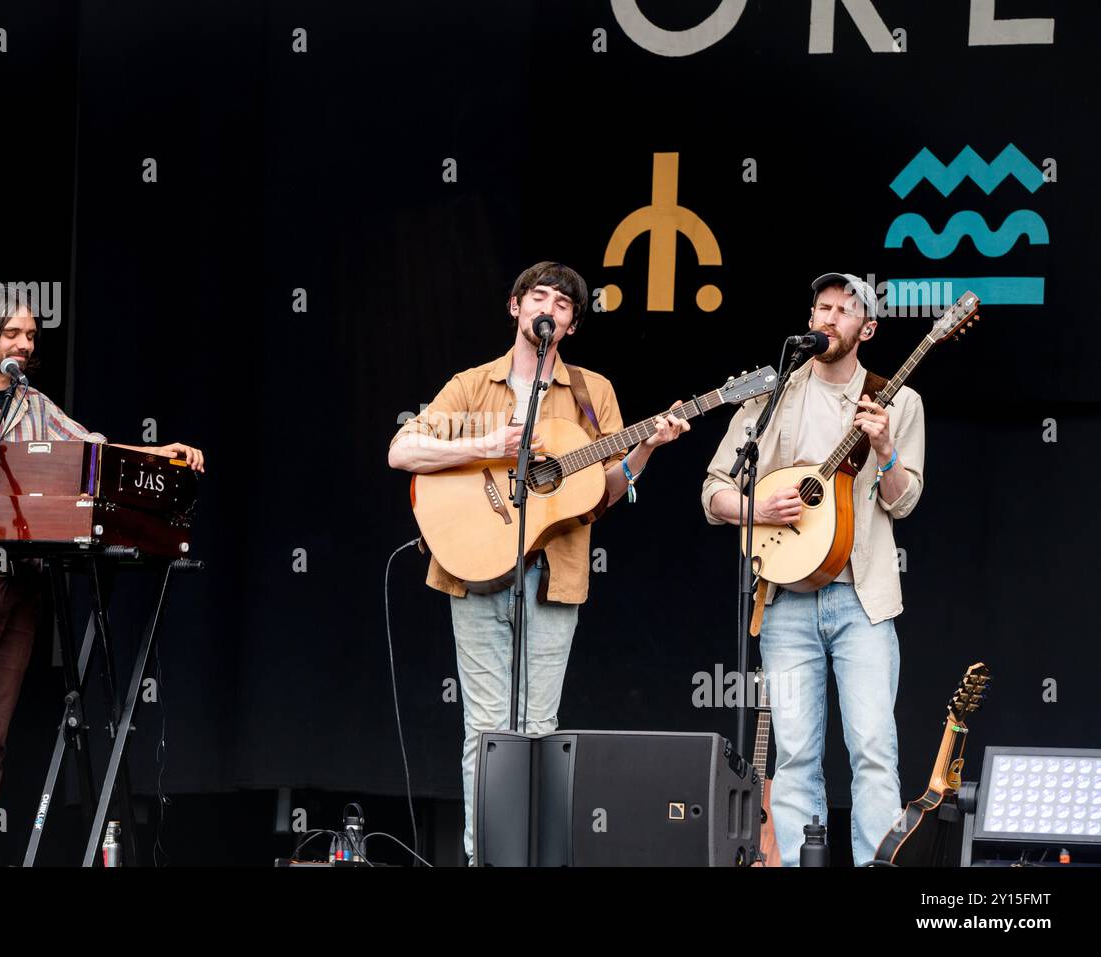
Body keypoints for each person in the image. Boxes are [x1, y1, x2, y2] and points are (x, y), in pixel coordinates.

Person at [389, 261, 689, 864]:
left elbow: (600, 494)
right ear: (516, 307)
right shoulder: (473, 385)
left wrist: (644, 451)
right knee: (486, 730)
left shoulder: (592, 393)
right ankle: (483, 857)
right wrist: (486, 446)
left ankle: (528, 857)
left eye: (562, 303)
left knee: (538, 731)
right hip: (474, 572)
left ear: (572, 324)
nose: (547, 308)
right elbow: (402, 451)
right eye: (538, 297)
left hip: (554, 578)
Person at [0, 284, 204, 863]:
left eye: (32, 335)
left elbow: (92, 453)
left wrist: (160, 454)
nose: (25, 344)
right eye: (12, 333)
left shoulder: (32, 404)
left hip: (19, 582)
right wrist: (9, 469)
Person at [700, 272, 924, 865]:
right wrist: (757, 508)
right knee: (796, 753)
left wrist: (885, 451)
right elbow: (714, 491)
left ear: (866, 329)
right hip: (784, 598)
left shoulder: (897, 401)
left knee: (873, 749)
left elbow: (903, 502)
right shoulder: (773, 395)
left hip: (863, 601)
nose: (829, 317)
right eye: (822, 307)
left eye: (844, 310)